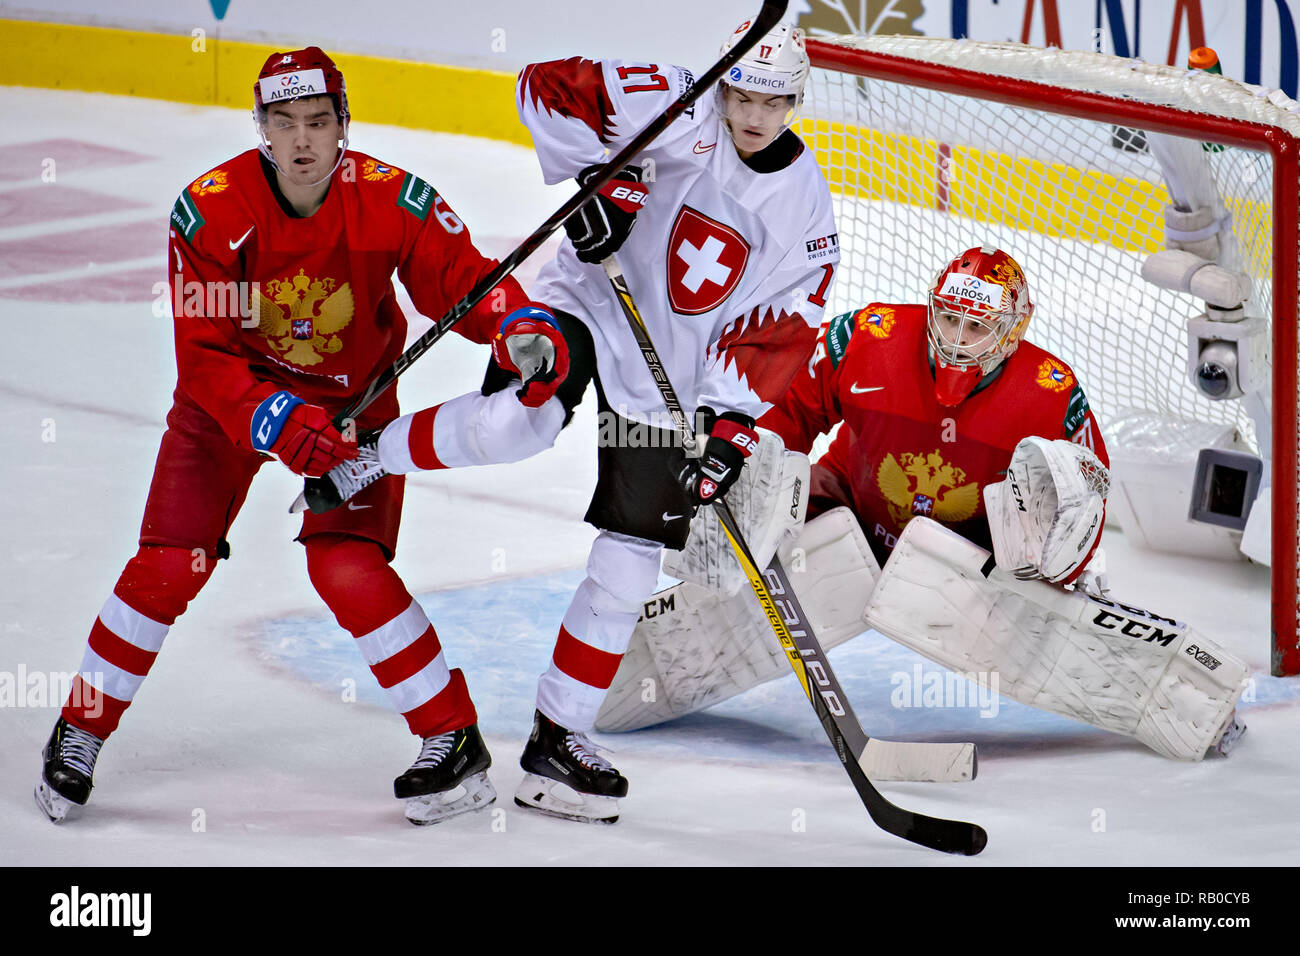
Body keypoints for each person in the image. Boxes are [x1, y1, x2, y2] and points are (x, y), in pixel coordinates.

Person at [312, 21, 840, 822]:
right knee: (516, 424)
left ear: (799, 101)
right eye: (741, 93)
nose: (754, 113)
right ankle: (367, 455)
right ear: (721, 83)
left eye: (774, 100)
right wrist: (608, 182)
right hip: (586, 303)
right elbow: (543, 87)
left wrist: (730, 426)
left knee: (629, 565)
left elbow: (783, 323)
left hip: (665, 378)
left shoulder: (805, 206)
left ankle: (559, 740)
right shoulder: (671, 101)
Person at [35, 47, 573, 826]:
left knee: (347, 567)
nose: (302, 141)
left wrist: (516, 326)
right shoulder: (211, 210)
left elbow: (463, 280)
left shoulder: (392, 199)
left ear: (344, 125)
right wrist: (274, 418)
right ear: (260, 128)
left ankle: (452, 738)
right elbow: (207, 358)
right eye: (284, 123)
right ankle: (79, 727)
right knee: (167, 566)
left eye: (318, 122)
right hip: (228, 409)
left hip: (357, 408)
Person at [595, 246, 1248, 762]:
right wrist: (747, 458)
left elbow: (1090, 490)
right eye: (950, 318)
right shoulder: (866, 338)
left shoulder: (1052, 393)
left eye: (977, 325)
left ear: (1014, 330)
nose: (959, 337)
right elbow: (789, 409)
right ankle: (607, 675)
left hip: (968, 551)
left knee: (1041, 603)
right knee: (776, 551)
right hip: (847, 508)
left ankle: (1179, 696)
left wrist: (1058, 557)